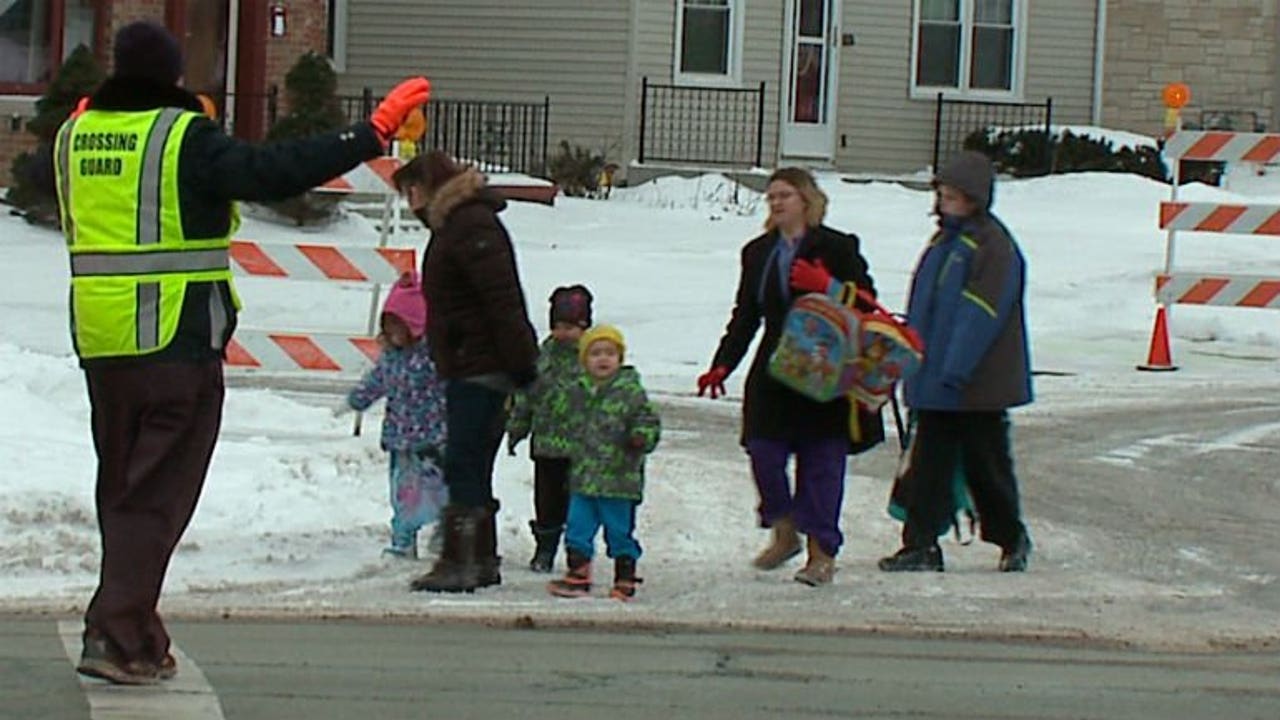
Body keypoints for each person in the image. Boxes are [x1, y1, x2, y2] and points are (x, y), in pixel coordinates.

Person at [52, 20, 430, 685]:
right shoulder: (180, 139)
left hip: (103, 343)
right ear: (172, 78)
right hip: (174, 342)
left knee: (124, 492)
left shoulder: (74, 134)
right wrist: (368, 137)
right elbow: (269, 172)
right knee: (156, 497)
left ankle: (135, 630)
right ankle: (113, 634)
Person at [696, 167, 884, 587]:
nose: (777, 203)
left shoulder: (837, 247)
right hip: (776, 367)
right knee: (763, 448)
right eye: (771, 197)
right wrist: (723, 363)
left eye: (785, 195)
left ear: (807, 200)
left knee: (821, 462)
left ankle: (821, 552)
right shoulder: (758, 252)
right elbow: (746, 315)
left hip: (826, 367)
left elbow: (868, 305)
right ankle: (784, 530)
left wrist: (828, 286)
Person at [877, 150, 1034, 573]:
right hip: (934, 379)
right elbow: (928, 308)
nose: (943, 201)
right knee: (928, 466)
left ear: (974, 198)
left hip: (975, 384)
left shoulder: (992, 246)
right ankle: (921, 543)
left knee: (987, 465)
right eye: (942, 193)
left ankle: (1010, 536)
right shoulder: (946, 242)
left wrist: (954, 369)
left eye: (952, 194)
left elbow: (980, 315)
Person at [391, 150, 540, 594]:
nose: (409, 202)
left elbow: (501, 297)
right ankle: (481, 558)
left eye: (411, 191)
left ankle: (460, 560)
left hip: (483, 362)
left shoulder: (469, 226)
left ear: (429, 186)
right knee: (471, 461)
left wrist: (521, 365)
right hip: (471, 360)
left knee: (463, 460)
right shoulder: (455, 225)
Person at [546, 325, 660, 601]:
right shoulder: (576, 392)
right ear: (584, 360)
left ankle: (625, 575)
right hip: (584, 478)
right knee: (577, 527)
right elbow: (558, 416)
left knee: (619, 531)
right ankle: (578, 573)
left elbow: (648, 421)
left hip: (619, 480)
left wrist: (640, 437)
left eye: (610, 353)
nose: (603, 359)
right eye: (596, 353)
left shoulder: (630, 392)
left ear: (620, 359)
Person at [344, 272, 448, 560]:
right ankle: (403, 538)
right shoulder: (391, 358)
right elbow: (376, 381)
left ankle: (444, 529)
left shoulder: (434, 357)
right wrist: (358, 399)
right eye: (388, 324)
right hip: (400, 441)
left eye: (399, 324)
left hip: (433, 441)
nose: (393, 331)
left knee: (437, 490)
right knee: (403, 492)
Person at [506, 284, 595, 572]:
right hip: (546, 446)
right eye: (560, 326)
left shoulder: (595, 359)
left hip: (583, 449)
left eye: (573, 326)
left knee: (578, 503)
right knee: (547, 501)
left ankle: (577, 552)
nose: (566, 333)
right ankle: (545, 548)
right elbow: (526, 394)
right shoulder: (542, 358)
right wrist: (518, 426)